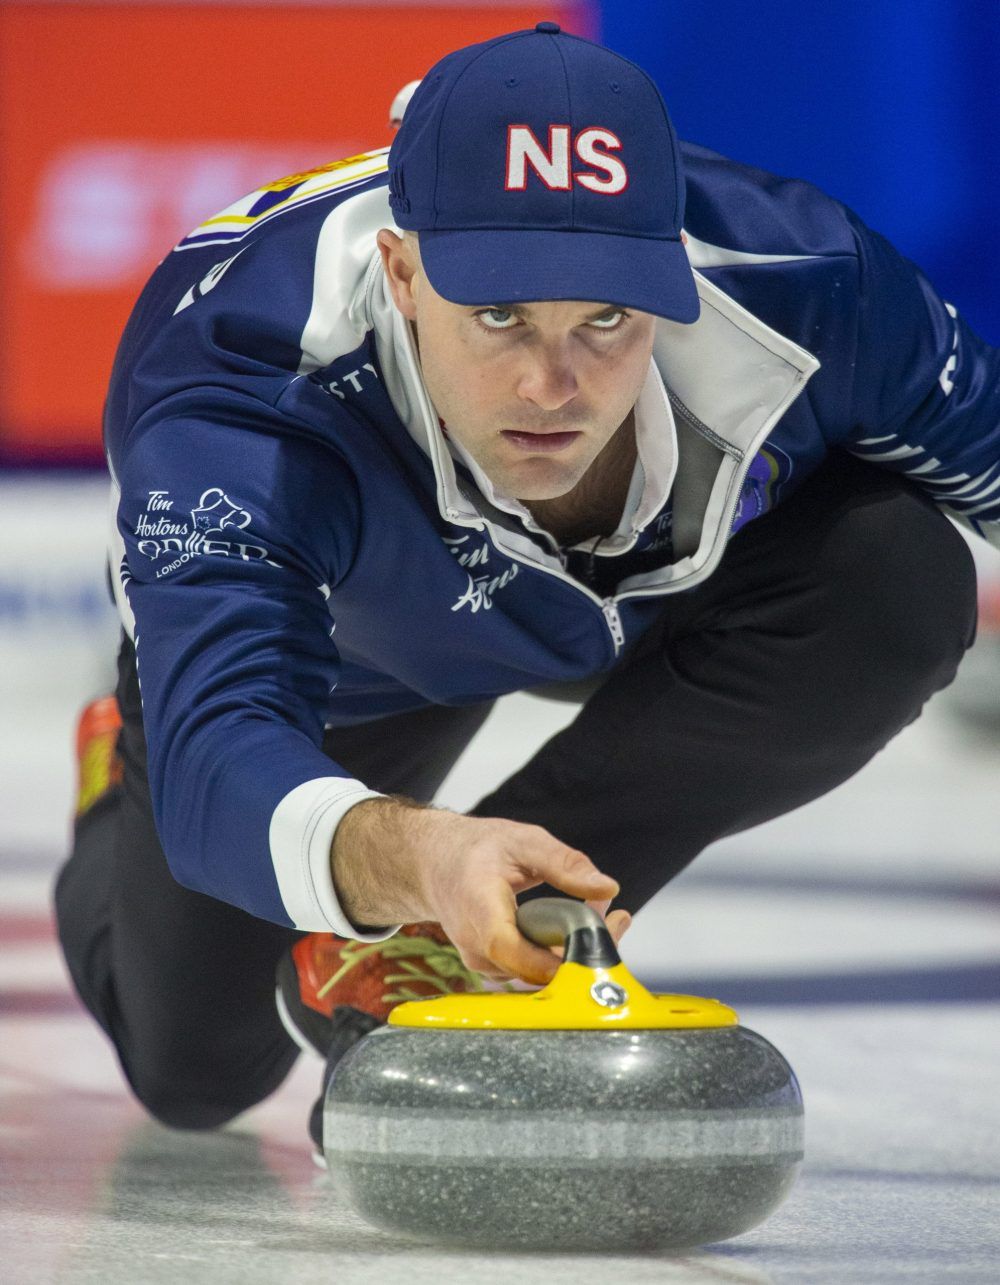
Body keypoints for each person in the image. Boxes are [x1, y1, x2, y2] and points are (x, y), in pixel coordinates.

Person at [56, 23, 994, 1156]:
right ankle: (120, 758)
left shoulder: (810, 280)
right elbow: (222, 762)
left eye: (607, 316)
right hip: (359, 653)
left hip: (658, 595)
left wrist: (427, 904)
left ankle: (434, 946)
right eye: (497, 314)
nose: (552, 384)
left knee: (896, 574)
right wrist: (417, 854)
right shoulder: (239, 384)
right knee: (192, 1074)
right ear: (403, 273)